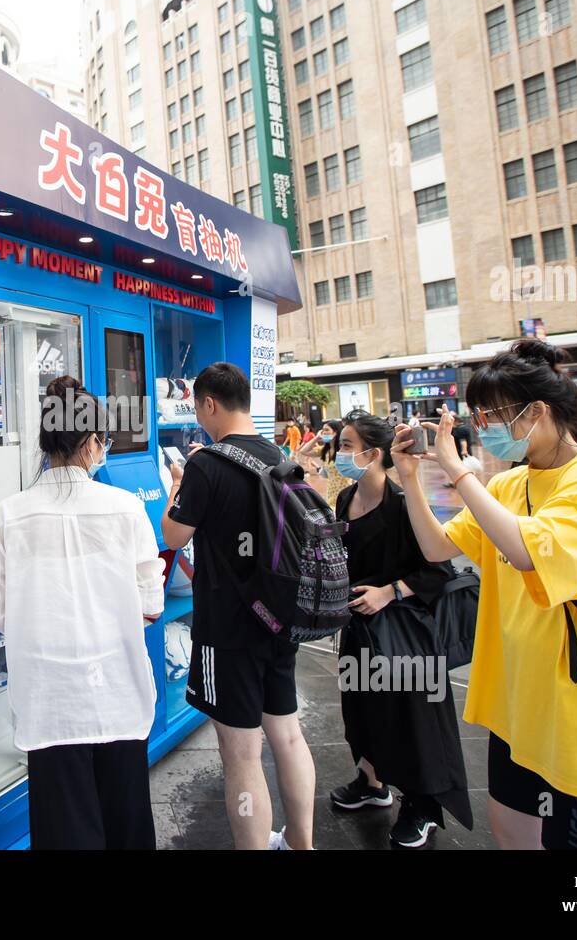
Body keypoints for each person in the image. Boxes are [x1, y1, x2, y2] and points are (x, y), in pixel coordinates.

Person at [391, 339, 577, 850]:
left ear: (539, 411)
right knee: (513, 833)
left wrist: (458, 471)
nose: (486, 430)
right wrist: (412, 479)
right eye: (479, 418)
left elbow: (526, 551)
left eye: (493, 416)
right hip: (519, 700)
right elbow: (437, 547)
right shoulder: (507, 485)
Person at [0, 376, 164, 850]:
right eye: (102, 440)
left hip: (48, 704)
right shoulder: (127, 510)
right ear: (91, 444)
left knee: (64, 832)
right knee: (126, 826)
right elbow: (151, 608)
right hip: (119, 694)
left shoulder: (7, 516)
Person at [161, 362, 317, 850]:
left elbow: (173, 534)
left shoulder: (206, 465)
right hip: (279, 619)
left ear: (210, 404)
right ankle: (301, 843)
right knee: (288, 737)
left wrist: (177, 488)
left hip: (226, 630)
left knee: (243, 756)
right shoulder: (279, 456)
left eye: (197, 408)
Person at [327, 411, 471, 848]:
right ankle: (372, 783)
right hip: (360, 627)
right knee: (364, 709)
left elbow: (439, 570)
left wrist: (390, 591)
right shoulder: (346, 497)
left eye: (348, 446)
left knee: (412, 720)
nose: (340, 454)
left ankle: (422, 805)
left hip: (404, 628)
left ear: (373, 454)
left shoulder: (403, 503)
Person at [295, 418, 350, 506]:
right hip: (331, 491)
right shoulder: (324, 450)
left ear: (335, 432)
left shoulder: (345, 450)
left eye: (327, 430)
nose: (324, 432)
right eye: (323, 430)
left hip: (346, 492)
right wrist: (317, 438)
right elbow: (303, 451)